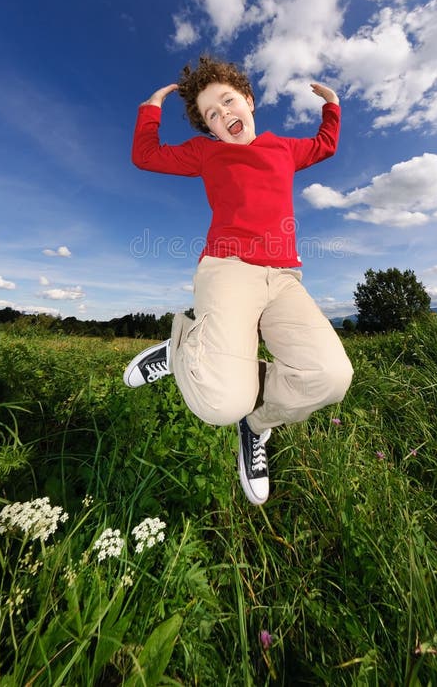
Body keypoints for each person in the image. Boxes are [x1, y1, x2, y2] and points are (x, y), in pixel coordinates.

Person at [124, 56, 353, 505]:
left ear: (248, 100)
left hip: (284, 278)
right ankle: (182, 346)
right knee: (222, 403)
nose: (223, 114)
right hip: (228, 268)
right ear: (208, 129)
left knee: (331, 377)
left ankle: (257, 426)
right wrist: (151, 109)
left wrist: (333, 106)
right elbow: (145, 156)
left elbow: (325, 145)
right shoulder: (207, 152)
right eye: (211, 113)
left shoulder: (283, 149)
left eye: (228, 101)